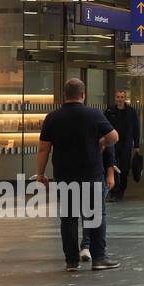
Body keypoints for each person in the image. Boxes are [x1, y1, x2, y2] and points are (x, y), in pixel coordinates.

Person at [34, 78, 120, 272]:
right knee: (96, 215)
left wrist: (40, 174)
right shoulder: (93, 114)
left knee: (69, 218)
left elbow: (43, 149)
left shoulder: (52, 117)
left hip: (64, 175)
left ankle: (71, 261)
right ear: (83, 94)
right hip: (91, 173)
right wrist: (102, 142)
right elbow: (114, 137)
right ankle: (99, 258)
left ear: (65, 95)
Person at [103, 90, 140, 202]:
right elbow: (103, 126)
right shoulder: (110, 111)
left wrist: (136, 145)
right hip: (113, 144)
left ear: (125, 98)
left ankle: (122, 188)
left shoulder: (131, 112)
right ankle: (115, 192)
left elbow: (136, 128)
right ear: (115, 98)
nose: (120, 99)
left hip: (126, 144)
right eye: (118, 97)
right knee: (113, 166)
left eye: (122, 97)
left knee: (124, 168)